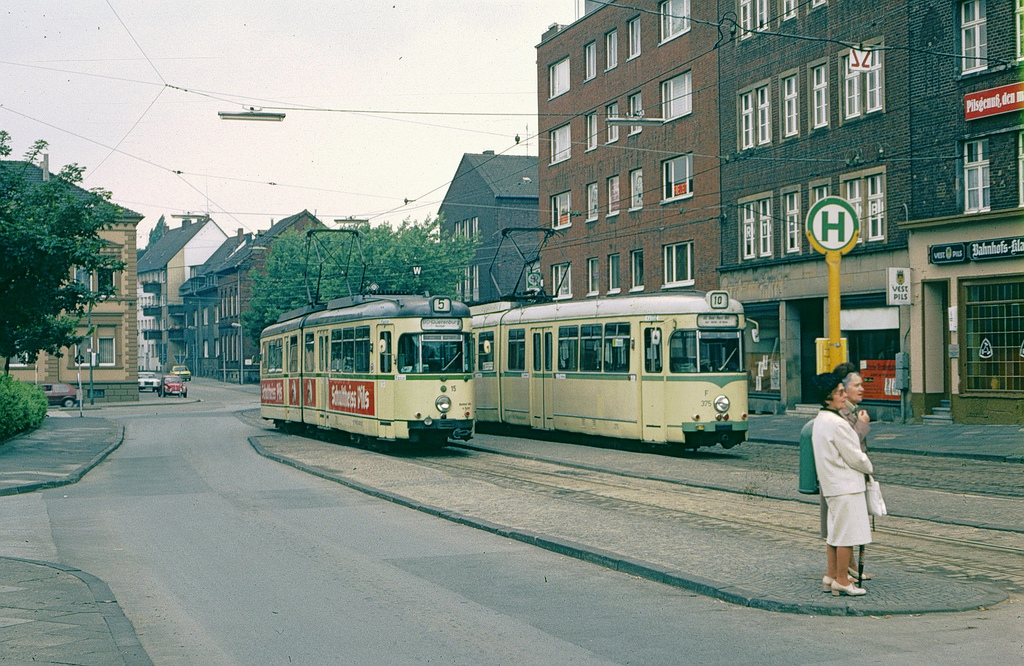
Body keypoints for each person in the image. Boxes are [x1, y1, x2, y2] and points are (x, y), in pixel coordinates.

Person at [810, 372, 874, 596]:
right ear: (828, 397)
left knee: (834, 534)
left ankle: (831, 575)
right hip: (847, 486)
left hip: (832, 485)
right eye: (839, 392)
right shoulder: (838, 423)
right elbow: (854, 456)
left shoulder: (820, 420)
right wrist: (869, 467)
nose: (844, 395)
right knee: (847, 534)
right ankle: (842, 581)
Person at [831, 361, 872, 581]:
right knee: (845, 527)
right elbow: (849, 444)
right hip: (843, 479)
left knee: (849, 524)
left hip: (848, 478)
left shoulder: (852, 411)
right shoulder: (841, 414)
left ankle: (850, 568)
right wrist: (863, 424)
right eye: (857, 385)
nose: (861, 388)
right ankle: (842, 574)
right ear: (843, 390)